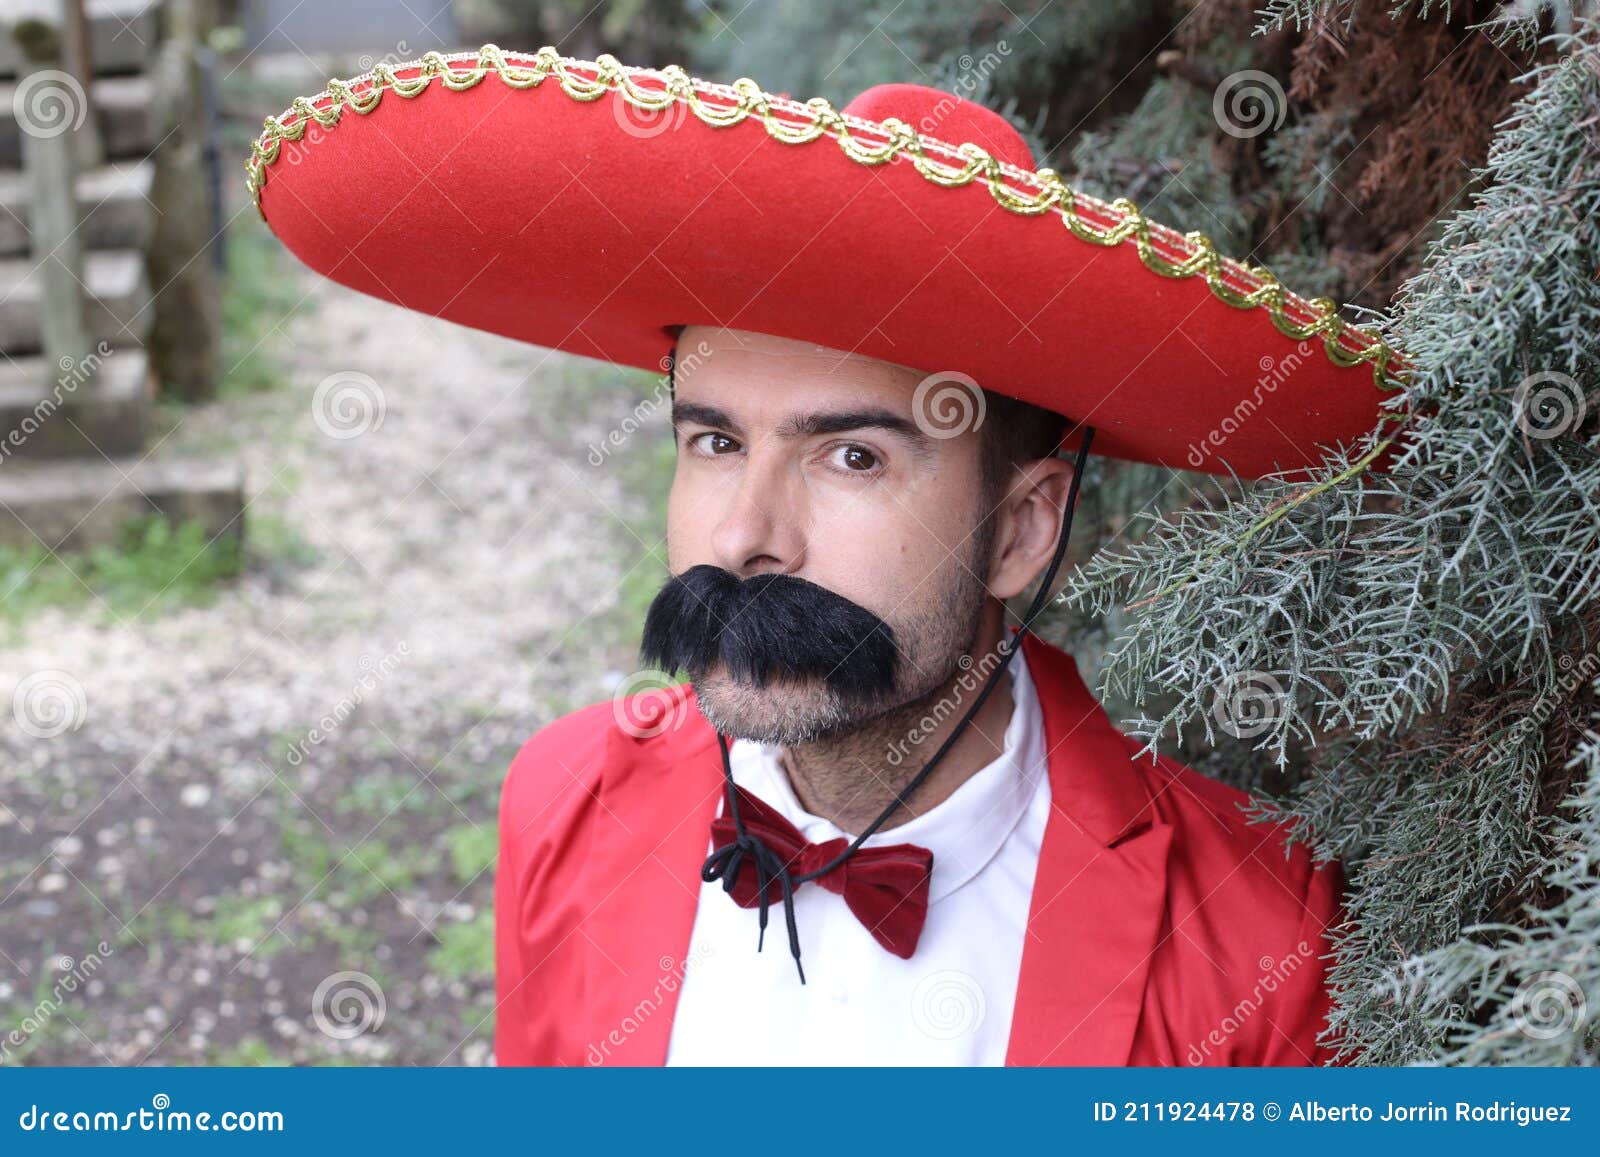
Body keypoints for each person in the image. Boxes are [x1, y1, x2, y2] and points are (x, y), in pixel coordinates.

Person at [247, 45, 1402, 1066]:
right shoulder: (565, 804)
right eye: (712, 440)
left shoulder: (1255, 937)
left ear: (1019, 530)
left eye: (849, 456)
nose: (745, 534)